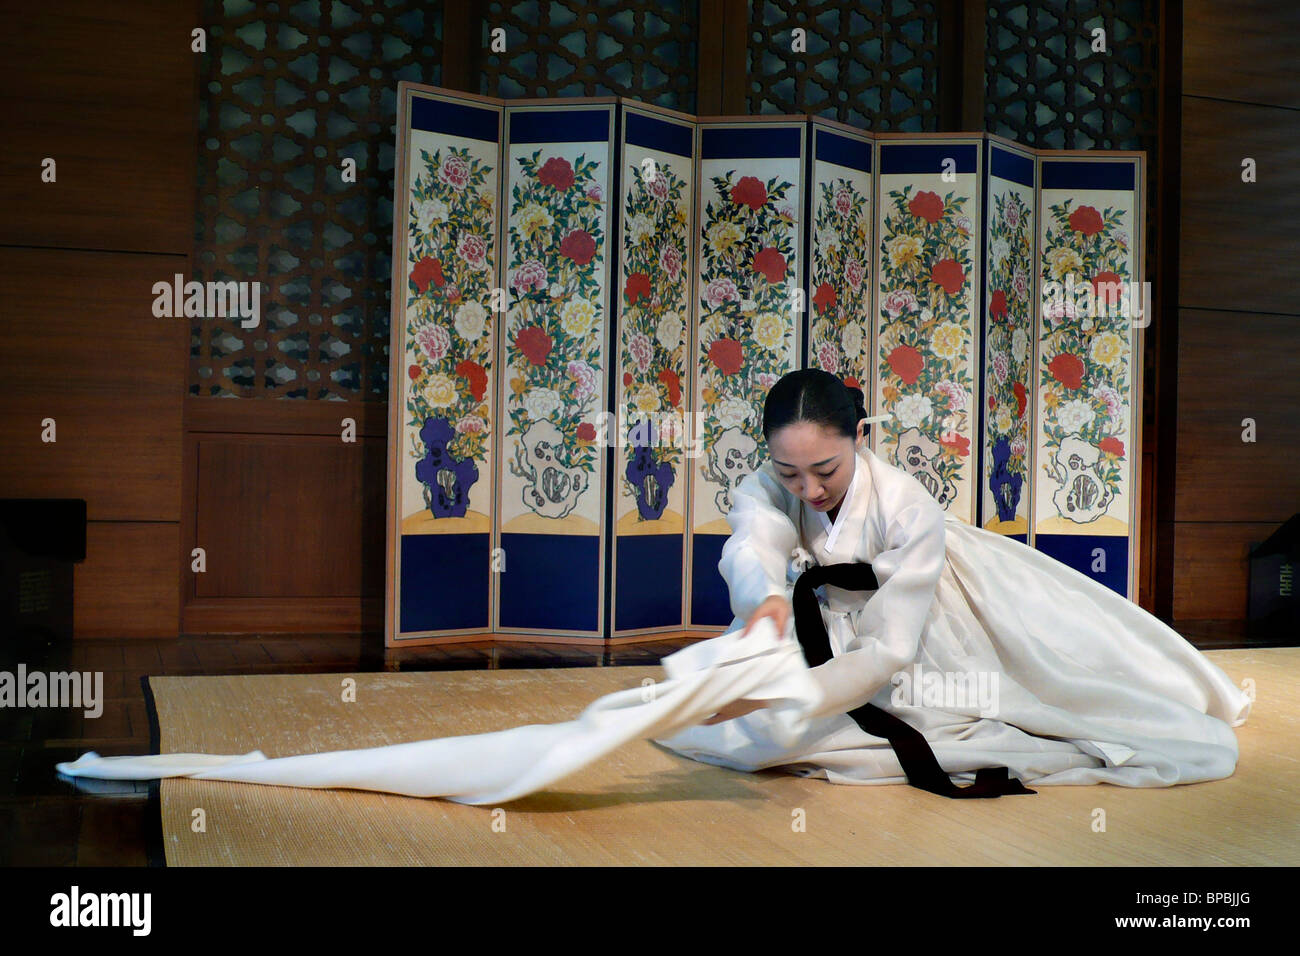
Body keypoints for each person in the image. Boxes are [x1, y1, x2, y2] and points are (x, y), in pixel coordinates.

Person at [654, 368, 1251, 788]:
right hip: (819, 625)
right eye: (789, 472)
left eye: (825, 471)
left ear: (860, 439)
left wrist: (800, 695)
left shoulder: (906, 505)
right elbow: (752, 548)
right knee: (714, 715)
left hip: (930, 622)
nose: (808, 491)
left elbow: (889, 646)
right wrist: (763, 608)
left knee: (1068, 682)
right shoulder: (763, 487)